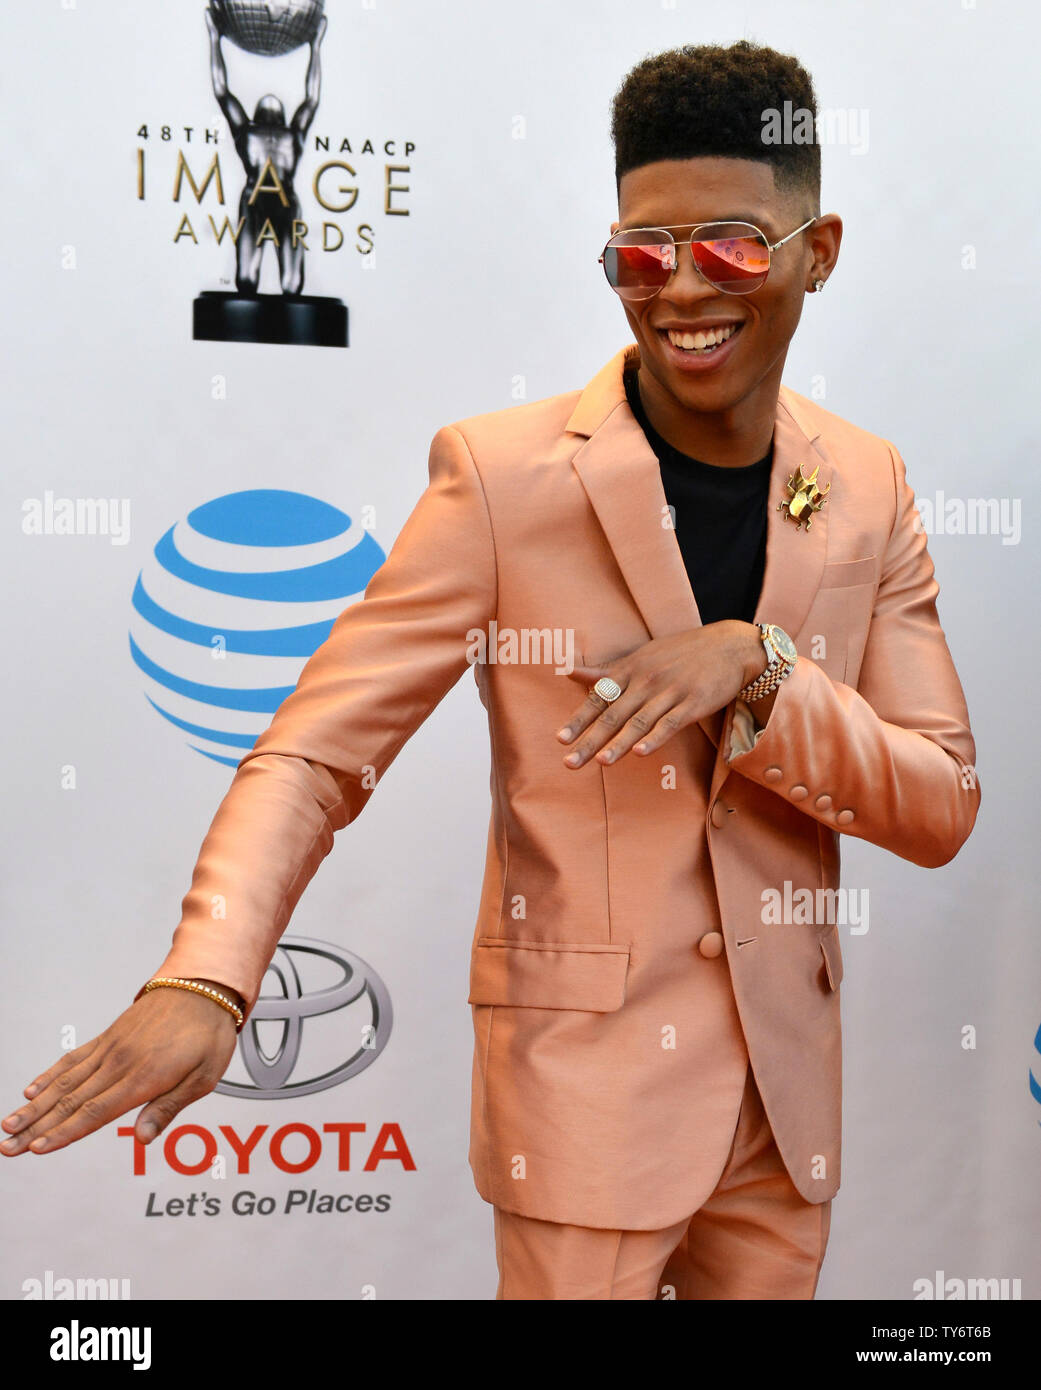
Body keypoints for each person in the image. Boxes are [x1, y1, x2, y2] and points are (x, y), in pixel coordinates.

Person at [1, 40, 979, 1300]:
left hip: (785, 1124)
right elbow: (315, 750)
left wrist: (760, 668)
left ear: (818, 250)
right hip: (583, 1113)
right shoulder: (503, 477)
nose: (682, 286)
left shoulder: (869, 483)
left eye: (732, 244)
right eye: (641, 252)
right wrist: (212, 971)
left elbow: (939, 801)